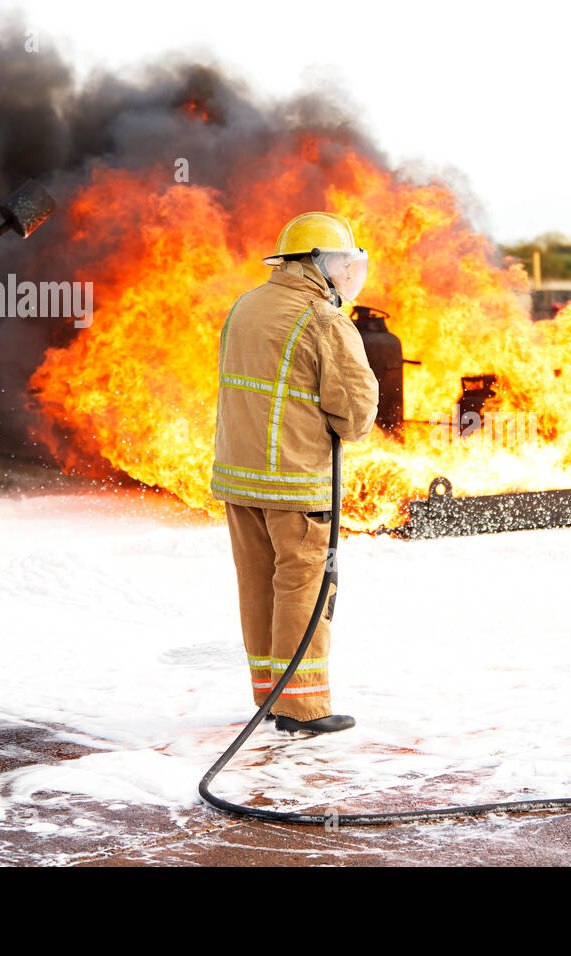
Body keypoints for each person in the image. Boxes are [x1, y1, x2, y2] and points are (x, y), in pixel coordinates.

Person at [212, 211, 378, 734]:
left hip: (240, 480)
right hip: (296, 481)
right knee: (304, 589)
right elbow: (355, 416)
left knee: (257, 586)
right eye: (342, 263)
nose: (346, 274)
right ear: (320, 264)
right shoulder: (323, 320)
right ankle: (302, 707)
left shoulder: (244, 306)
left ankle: (269, 697)